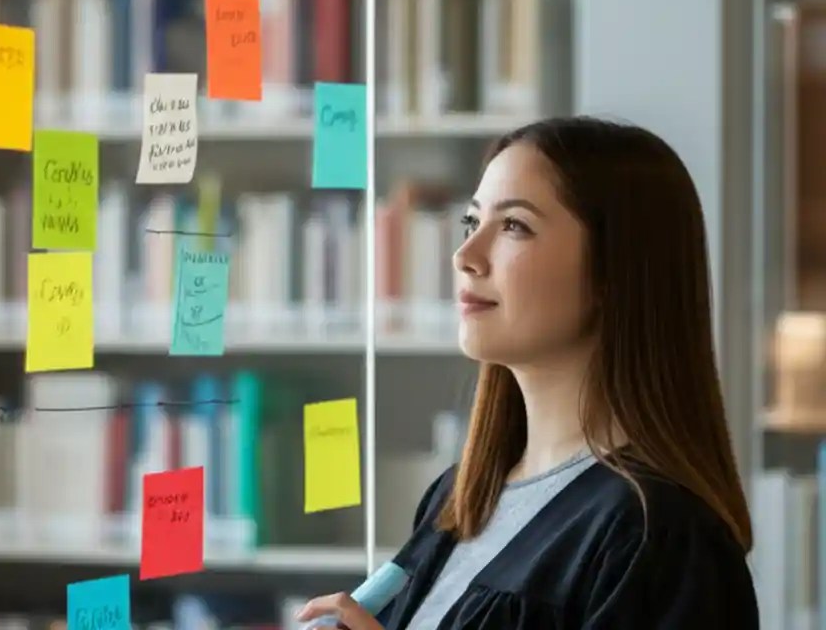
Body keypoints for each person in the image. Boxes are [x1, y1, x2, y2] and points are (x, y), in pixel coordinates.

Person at [296, 117, 760, 629]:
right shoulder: (459, 498)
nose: (465, 256)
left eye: (514, 226)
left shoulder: (664, 535)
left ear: (614, 270)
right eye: (471, 224)